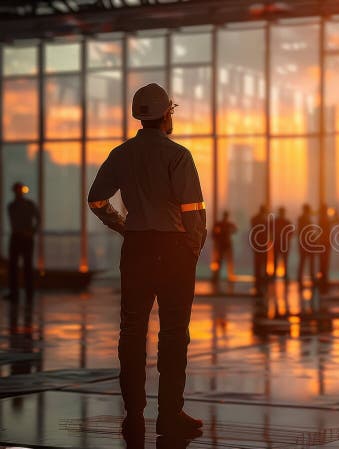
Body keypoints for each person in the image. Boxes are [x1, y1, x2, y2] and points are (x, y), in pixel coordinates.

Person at [88, 83, 205, 439]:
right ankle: (170, 413)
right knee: (172, 333)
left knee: (132, 330)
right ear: (166, 114)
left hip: (136, 247)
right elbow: (194, 214)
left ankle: (133, 413)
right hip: (172, 248)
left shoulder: (120, 154)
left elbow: (96, 200)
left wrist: (123, 225)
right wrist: (191, 251)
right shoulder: (179, 155)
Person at [6, 182, 39, 302]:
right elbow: (38, 219)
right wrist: (32, 231)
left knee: (24, 266)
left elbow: (37, 219)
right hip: (21, 237)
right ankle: (24, 292)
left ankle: (21, 292)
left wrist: (32, 231)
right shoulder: (19, 205)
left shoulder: (13, 206)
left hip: (22, 237)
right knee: (19, 266)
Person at [211, 211, 237, 284]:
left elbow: (235, 229)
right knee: (221, 261)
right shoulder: (223, 224)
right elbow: (214, 233)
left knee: (222, 261)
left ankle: (218, 276)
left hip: (224, 245)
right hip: (224, 245)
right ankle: (219, 276)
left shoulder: (223, 224)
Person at [250, 205, 269, 295]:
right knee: (261, 265)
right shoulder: (264, 221)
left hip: (258, 245)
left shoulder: (255, 219)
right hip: (261, 245)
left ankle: (259, 282)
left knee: (258, 265)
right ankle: (260, 283)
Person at [296, 203, 315, 287]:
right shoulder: (305, 220)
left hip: (304, 243)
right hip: (307, 244)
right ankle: (310, 278)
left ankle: (300, 279)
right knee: (309, 262)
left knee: (303, 262)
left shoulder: (301, 219)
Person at [316, 203, 334, 293]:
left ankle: (322, 279)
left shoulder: (321, 219)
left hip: (322, 244)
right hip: (325, 243)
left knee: (322, 262)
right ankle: (324, 279)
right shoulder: (325, 220)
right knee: (325, 262)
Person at [273, 206, 292, 281]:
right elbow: (291, 233)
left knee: (276, 259)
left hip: (278, 243)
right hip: (284, 244)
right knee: (284, 260)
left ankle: (274, 274)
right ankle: (285, 275)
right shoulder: (287, 222)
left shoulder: (276, 221)